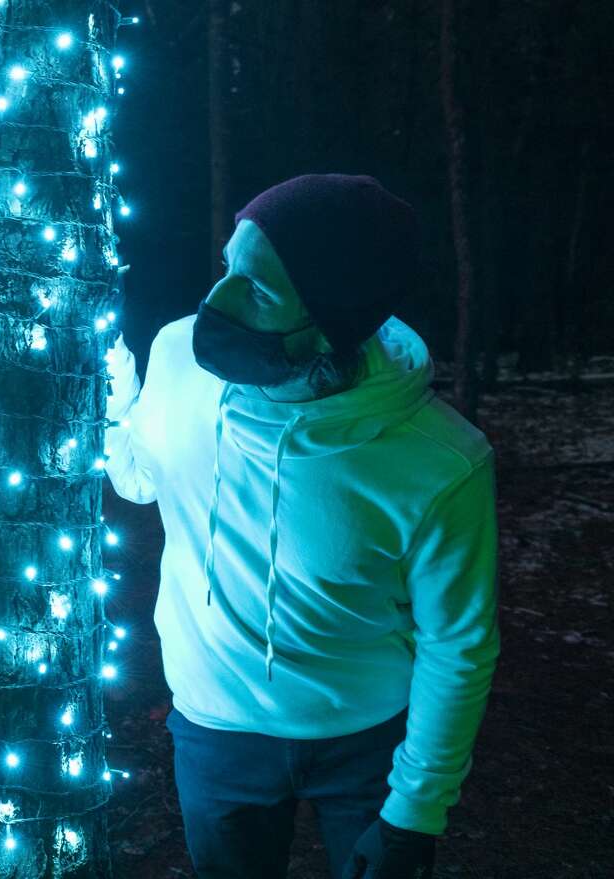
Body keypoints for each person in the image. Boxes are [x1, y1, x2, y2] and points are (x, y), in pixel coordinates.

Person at [102, 174, 499, 879]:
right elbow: (141, 478)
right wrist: (115, 402)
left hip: (369, 745)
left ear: (329, 325)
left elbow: (458, 645)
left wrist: (413, 816)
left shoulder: (440, 463)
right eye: (228, 267)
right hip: (214, 734)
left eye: (256, 289)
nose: (213, 303)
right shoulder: (175, 356)